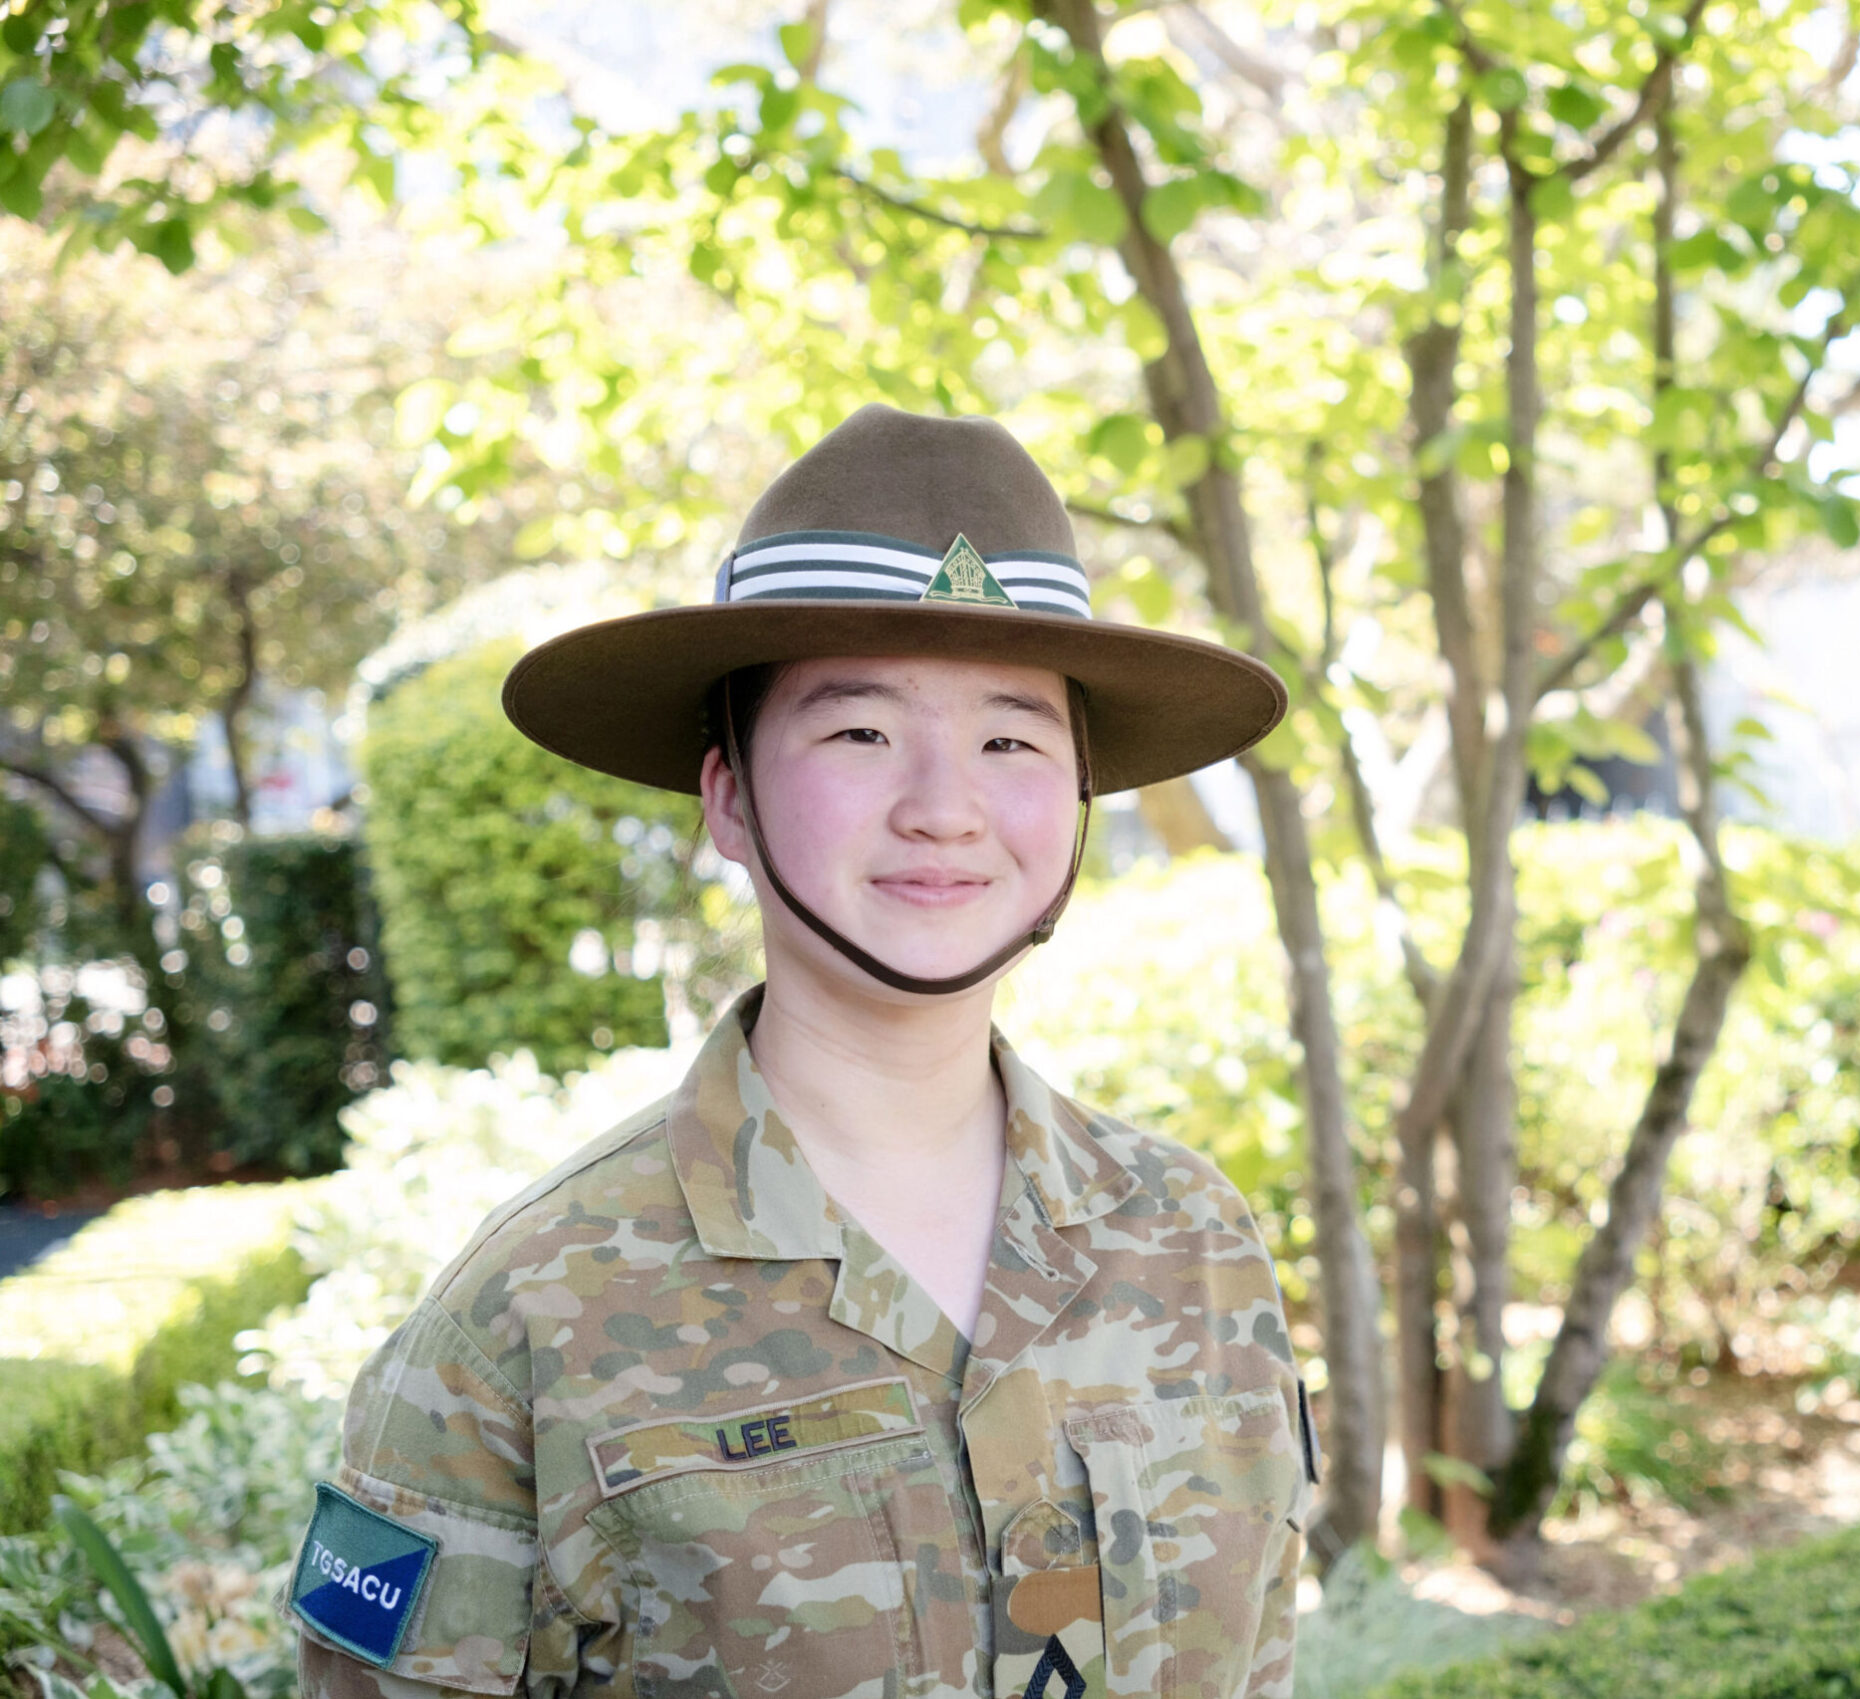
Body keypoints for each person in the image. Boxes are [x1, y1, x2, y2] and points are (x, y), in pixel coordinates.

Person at [284, 405, 1317, 1699]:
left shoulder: (1196, 1247)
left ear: (1079, 804)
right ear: (728, 796)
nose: (944, 807)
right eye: (860, 732)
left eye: (1011, 739)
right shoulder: (524, 1327)